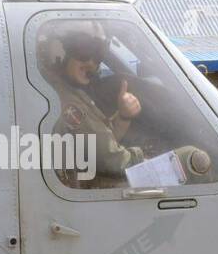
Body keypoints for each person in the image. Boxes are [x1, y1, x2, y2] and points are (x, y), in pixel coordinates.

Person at [47, 23, 146, 187]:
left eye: (99, 54)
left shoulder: (68, 90)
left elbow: (101, 142)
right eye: (85, 50)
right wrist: (146, 158)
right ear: (61, 51)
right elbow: (113, 162)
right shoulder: (69, 104)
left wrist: (123, 116)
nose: (92, 63)